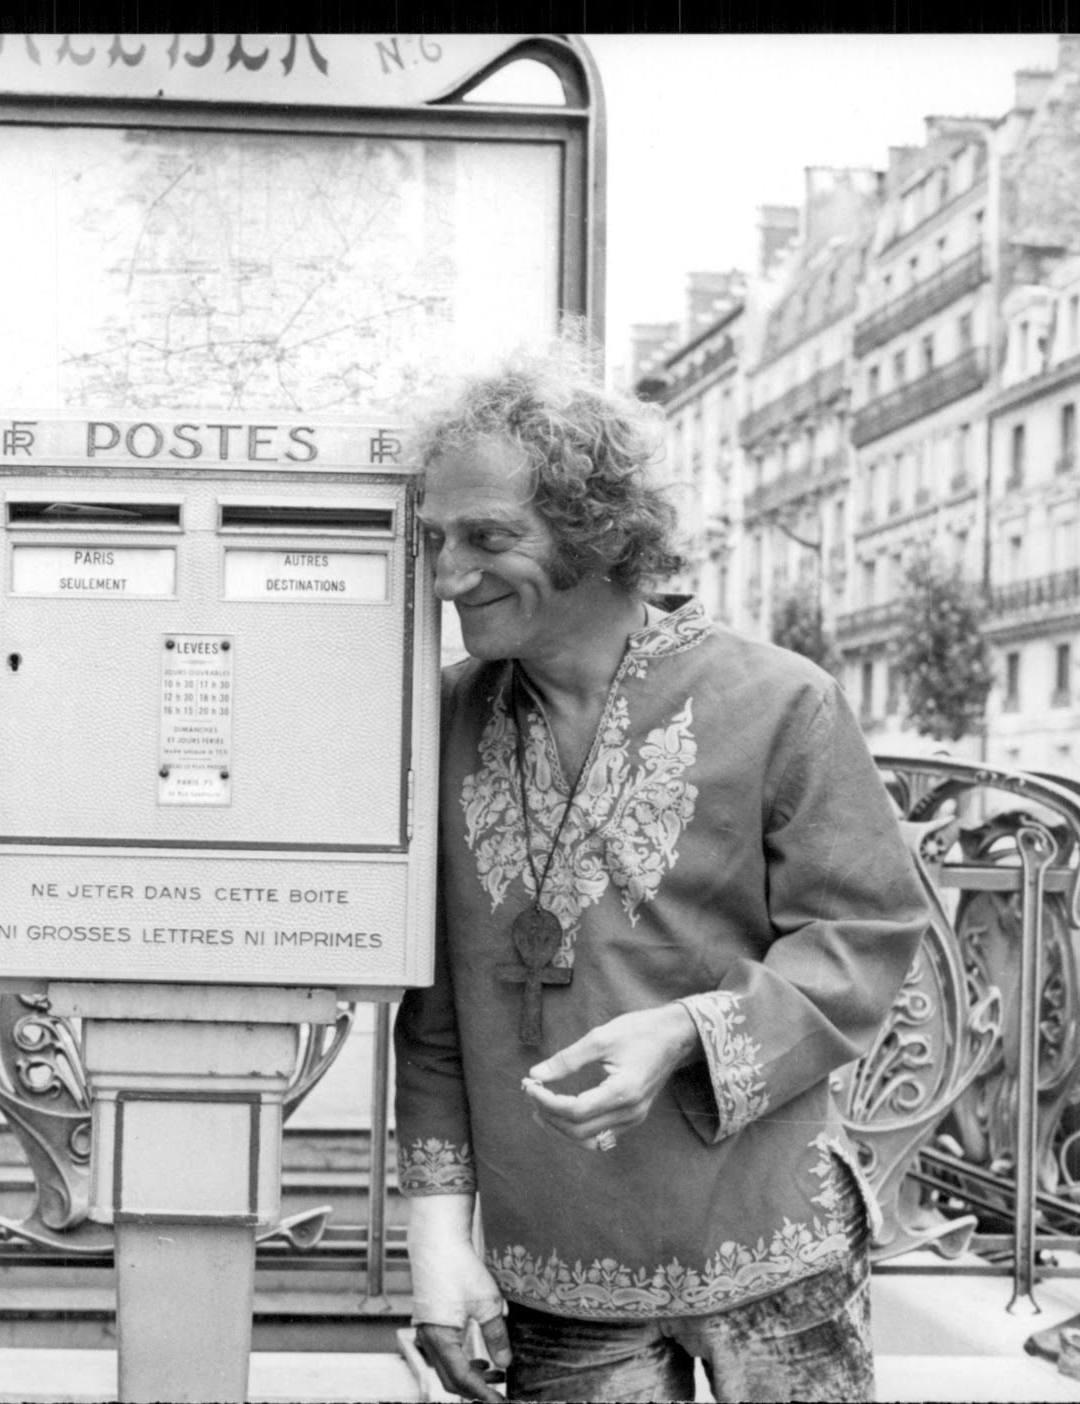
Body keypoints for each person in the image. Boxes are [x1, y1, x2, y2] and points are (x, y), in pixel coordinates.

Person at [396, 339, 927, 1403]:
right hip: (552, 1273)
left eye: (488, 537)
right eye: (434, 539)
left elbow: (865, 942)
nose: (449, 574)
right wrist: (434, 1248)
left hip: (773, 1252)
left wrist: (684, 1031)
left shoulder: (782, 703)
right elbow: (436, 1007)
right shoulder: (434, 722)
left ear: (595, 532)